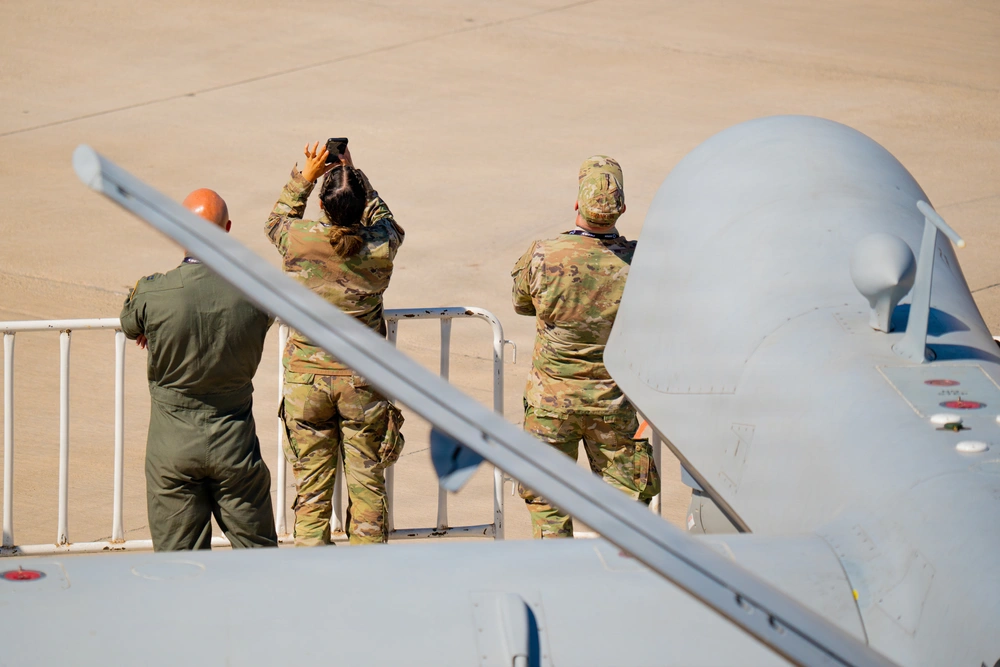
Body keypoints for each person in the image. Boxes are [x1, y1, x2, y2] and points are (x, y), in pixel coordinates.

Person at [120, 189, 278, 551]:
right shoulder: (257, 291)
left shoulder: (155, 293)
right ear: (228, 229)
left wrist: (158, 329)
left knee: (179, 572)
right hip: (235, 443)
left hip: (172, 446)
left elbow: (131, 322)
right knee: (263, 563)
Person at [511, 156, 660, 538]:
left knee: (548, 507)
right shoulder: (641, 262)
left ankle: (556, 589)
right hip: (612, 405)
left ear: (577, 202)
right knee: (629, 517)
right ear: (622, 208)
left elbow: (522, 304)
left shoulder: (544, 254)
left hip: (550, 403)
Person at [266, 141, 405, 546]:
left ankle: (313, 582)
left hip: (307, 383)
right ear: (361, 206)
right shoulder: (380, 244)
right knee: (367, 489)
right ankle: (366, 578)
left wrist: (305, 178)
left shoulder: (299, 240)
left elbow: (276, 220)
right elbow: (389, 224)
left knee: (310, 495)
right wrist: (356, 178)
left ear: (323, 207)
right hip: (362, 385)